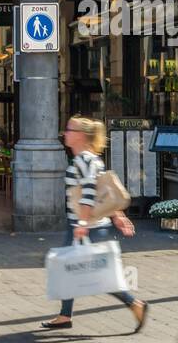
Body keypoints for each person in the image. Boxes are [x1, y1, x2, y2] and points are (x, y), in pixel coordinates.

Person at [39, 115, 148, 331]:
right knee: (69, 267)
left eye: (70, 129)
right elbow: (102, 192)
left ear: (80, 136)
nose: (65, 133)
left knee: (95, 273)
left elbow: (89, 193)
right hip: (84, 224)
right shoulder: (89, 158)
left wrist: (81, 222)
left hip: (84, 226)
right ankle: (64, 315)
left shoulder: (84, 160)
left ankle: (135, 304)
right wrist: (117, 215)